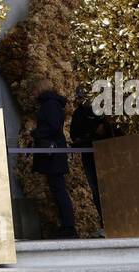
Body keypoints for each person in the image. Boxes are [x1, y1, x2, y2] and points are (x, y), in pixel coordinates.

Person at [30, 78, 77, 239]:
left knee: (58, 189)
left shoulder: (49, 104)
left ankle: (69, 226)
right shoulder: (52, 103)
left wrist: (36, 133)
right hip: (55, 152)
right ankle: (67, 225)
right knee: (57, 188)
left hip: (53, 154)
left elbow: (53, 127)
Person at [69, 84, 116, 226]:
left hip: (105, 152)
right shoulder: (79, 113)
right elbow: (74, 134)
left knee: (107, 187)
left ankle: (111, 220)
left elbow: (110, 130)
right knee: (96, 189)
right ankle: (105, 221)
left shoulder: (103, 110)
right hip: (89, 152)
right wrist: (92, 133)